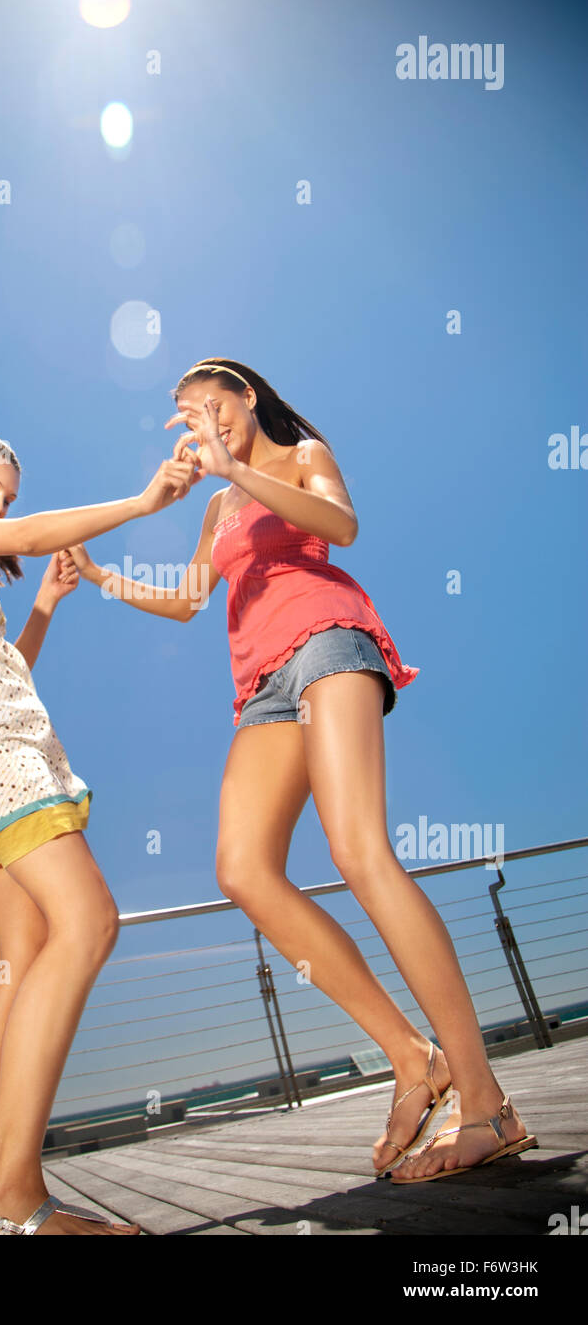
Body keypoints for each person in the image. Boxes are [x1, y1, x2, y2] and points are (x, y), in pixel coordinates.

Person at [66, 359, 536, 1183]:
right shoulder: (215, 504)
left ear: (246, 397)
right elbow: (188, 601)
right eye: (185, 416)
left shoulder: (297, 453)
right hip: (260, 688)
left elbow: (342, 526)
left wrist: (239, 466)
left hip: (325, 640)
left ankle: (488, 1105)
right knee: (243, 869)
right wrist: (100, 577)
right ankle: (410, 1054)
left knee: (358, 851)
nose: (199, 422)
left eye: (210, 404)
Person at [0, 434, 197, 1235]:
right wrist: (141, 504)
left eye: (7, 498)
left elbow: (3, 670)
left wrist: (45, 607)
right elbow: (29, 540)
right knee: (89, 923)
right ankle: (13, 1195)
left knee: (22, 955)